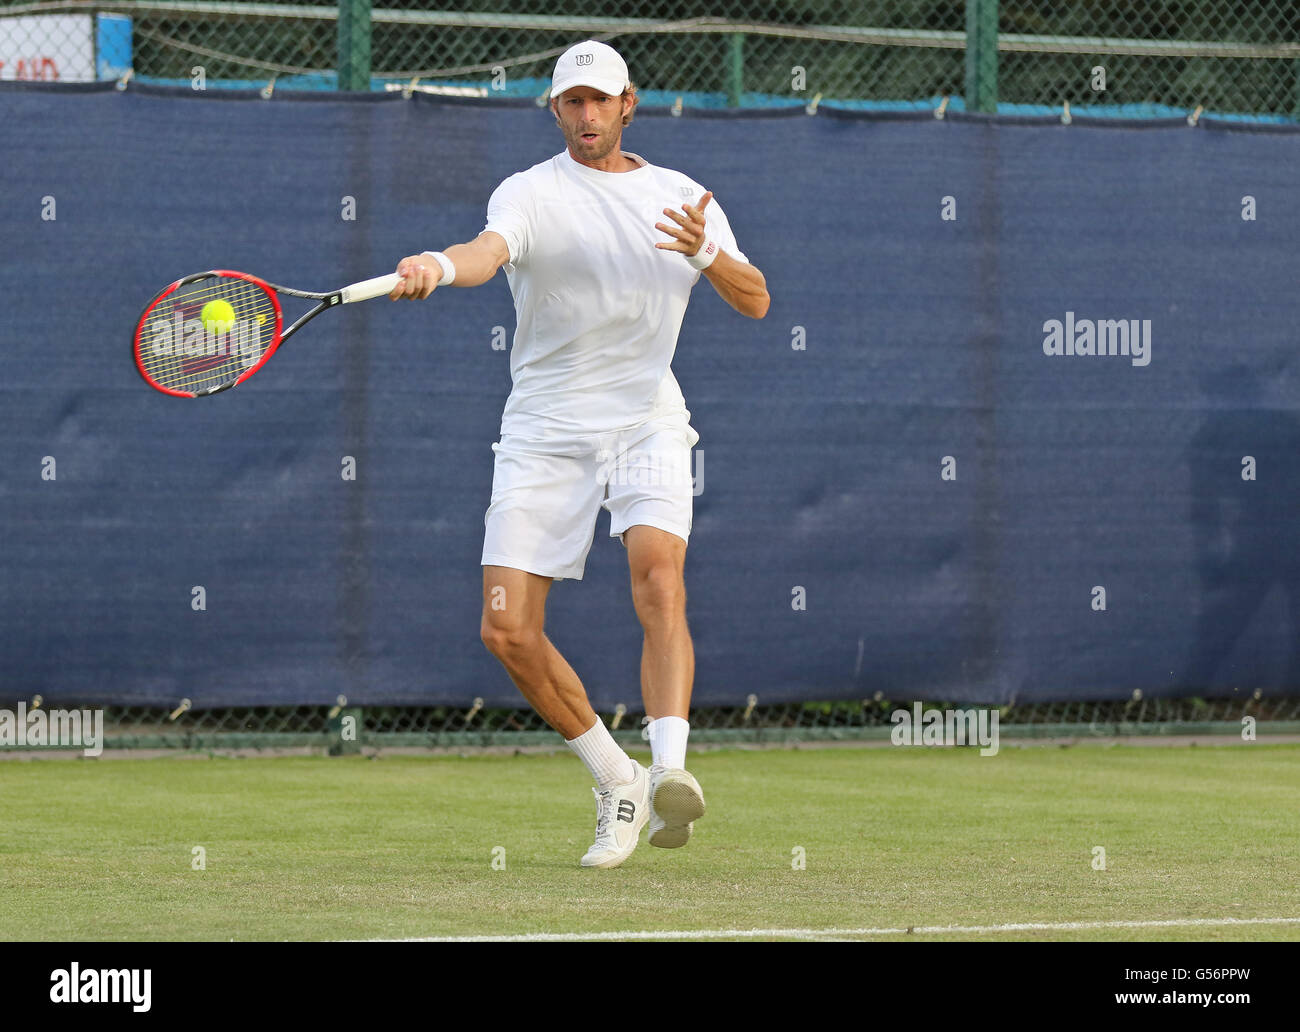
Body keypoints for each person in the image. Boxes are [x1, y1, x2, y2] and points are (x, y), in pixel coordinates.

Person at [388, 39, 769, 868]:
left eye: (602, 100)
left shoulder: (683, 199)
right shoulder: (529, 193)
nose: (588, 115)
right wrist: (436, 266)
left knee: (659, 576)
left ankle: (670, 771)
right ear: (555, 110)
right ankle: (616, 776)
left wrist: (704, 250)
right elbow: (485, 256)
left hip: (646, 422)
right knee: (506, 630)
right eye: (573, 102)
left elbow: (756, 298)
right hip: (545, 431)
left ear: (629, 103)